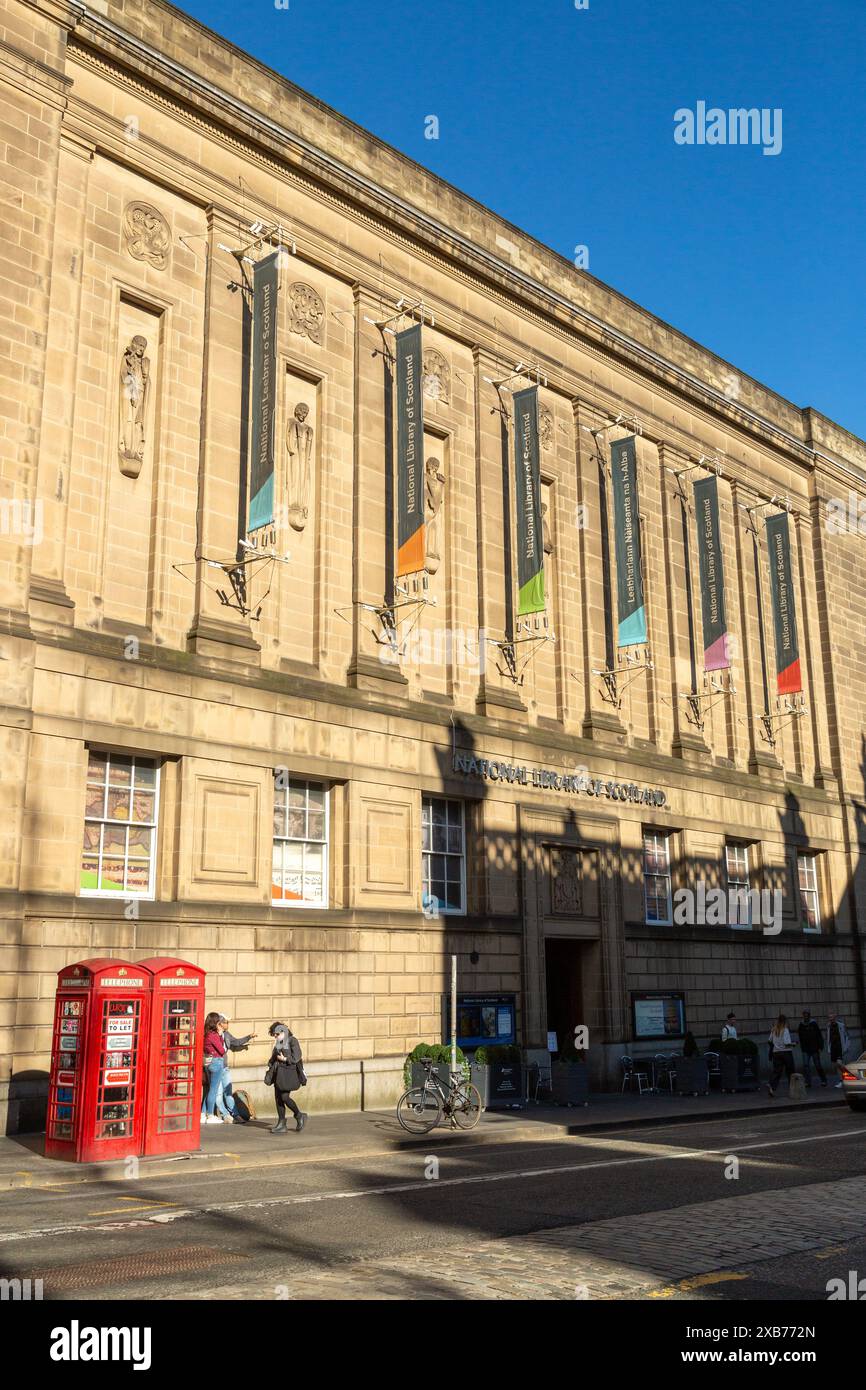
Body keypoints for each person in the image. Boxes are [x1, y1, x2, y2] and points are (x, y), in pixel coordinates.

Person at [268, 1021, 308, 1134]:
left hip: (288, 1073)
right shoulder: (279, 1043)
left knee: (284, 1097)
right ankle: (281, 1123)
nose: (275, 1036)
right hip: (278, 1073)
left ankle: (299, 1115)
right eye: (274, 1035)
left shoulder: (292, 1040)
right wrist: (270, 1063)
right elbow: (274, 1056)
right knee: (278, 1098)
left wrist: (284, 1059)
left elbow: (296, 1057)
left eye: (276, 1034)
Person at [217, 1014, 257, 1123]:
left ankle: (236, 1114)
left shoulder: (227, 1034)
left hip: (225, 1068)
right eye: (226, 1022)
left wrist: (249, 1037)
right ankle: (225, 1115)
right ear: (219, 1024)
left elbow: (237, 1042)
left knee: (228, 1093)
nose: (228, 1024)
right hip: (216, 1069)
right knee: (218, 1094)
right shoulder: (214, 1035)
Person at [202, 1012, 233, 1124]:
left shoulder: (205, 1034)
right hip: (216, 1063)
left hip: (209, 1063)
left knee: (209, 1090)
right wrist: (220, 1035)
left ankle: (202, 1114)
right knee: (213, 1091)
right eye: (218, 1022)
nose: (220, 1025)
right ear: (214, 1023)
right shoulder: (213, 1035)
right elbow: (222, 1050)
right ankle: (210, 1115)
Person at [766, 1014, 795, 1098]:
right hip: (786, 1053)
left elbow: (769, 1040)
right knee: (790, 1071)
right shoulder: (785, 1030)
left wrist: (776, 1045)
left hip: (776, 1053)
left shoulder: (774, 1029)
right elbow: (787, 1043)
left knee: (777, 1071)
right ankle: (792, 1088)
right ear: (785, 1021)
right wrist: (794, 1044)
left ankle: (771, 1086)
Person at [797, 1010, 827, 1089]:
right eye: (804, 1015)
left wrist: (820, 1047)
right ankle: (808, 1082)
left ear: (809, 1016)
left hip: (814, 1048)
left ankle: (823, 1080)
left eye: (807, 1015)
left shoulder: (814, 1024)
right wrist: (802, 1046)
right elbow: (800, 1036)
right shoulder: (801, 1025)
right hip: (805, 1049)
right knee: (806, 1065)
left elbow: (819, 1035)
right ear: (803, 1016)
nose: (805, 1016)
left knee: (817, 1065)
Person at [827, 1012, 850, 1087]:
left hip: (840, 1047)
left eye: (832, 1017)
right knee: (837, 1065)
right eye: (829, 1017)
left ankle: (850, 1074)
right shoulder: (828, 1026)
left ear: (835, 1017)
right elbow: (828, 1038)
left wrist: (846, 1047)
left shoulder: (841, 1025)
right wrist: (829, 1048)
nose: (831, 1019)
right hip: (833, 1048)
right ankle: (841, 1081)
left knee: (839, 1063)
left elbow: (847, 1036)